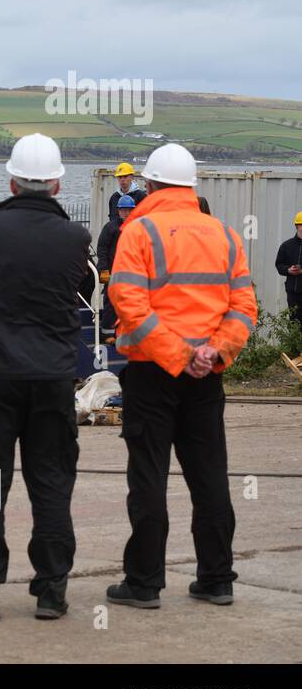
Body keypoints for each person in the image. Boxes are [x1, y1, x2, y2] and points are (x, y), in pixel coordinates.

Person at [105, 143, 256, 610]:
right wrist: (213, 351)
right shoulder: (225, 234)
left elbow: (128, 301)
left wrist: (176, 354)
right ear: (193, 186)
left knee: (148, 476)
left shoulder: (139, 230)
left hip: (153, 373)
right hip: (207, 375)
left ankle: (145, 582)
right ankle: (216, 578)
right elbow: (244, 306)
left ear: (148, 185)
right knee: (209, 476)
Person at [0, 133, 93, 623]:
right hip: (52, 379)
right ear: (56, 184)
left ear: (12, 181)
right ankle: (52, 591)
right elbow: (82, 288)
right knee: (52, 484)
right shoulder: (76, 237)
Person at [95, 194, 135, 333]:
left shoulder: (137, 227)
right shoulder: (110, 228)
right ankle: (107, 333)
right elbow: (102, 249)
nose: (126, 212)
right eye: (123, 210)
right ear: (118, 211)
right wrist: (103, 270)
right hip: (111, 273)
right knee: (110, 302)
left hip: (131, 274)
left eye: (129, 210)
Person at [275, 212, 302, 331]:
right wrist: (288, 270)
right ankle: (295, 350)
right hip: (293, 293)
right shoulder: (286, 246)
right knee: (294, 325)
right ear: (297, 226)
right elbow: (279, 265)